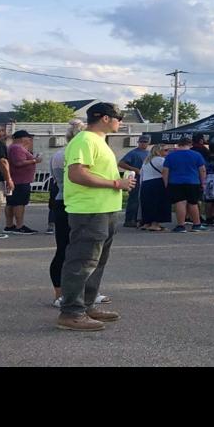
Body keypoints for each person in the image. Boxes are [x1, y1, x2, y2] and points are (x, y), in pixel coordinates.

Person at [56, 103, 136, 332]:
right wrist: (115, 183)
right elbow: (76, 173)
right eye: (118, 117)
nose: (120, 121)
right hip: (89, 210)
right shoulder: (85, 140)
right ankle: (71, 312)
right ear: (104, 118)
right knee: (82, 261)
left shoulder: (98, 141)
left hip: (104, 208)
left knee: (97, 261)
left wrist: (119, 182)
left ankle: (86, 306)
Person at [49, 121, 110, 307]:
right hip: (74, 203)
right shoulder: (71, 153)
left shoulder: (59, 154)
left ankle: (80, 292)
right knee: (74, 251)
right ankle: (65, 295)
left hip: (64, 201)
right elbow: (81, 178)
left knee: (78, 251)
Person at [162, 137, 207, 233]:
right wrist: (203, 182)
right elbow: (202, 170)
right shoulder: (196, 155)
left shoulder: (171, 156)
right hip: (193, 182)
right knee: (193, 203)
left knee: (180, 203)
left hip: (175, 182)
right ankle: (196, 224)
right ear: (190, 144)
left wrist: (166, 183)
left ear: (179, 144)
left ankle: (181, 225)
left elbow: (165, 171)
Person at [3, 130, 40, 234]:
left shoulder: (12, 147)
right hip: (20, 181)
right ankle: (19, 226)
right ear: (22, 138)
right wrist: (34, 160)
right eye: (28, 137)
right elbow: (18, 162)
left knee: (11, 203)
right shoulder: (17, 148)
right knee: (19, 203)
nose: (30, 140)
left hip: (15, 179)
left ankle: (9, 225)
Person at [118, 136, 151, 227]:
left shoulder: (149, 153)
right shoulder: (133, 153)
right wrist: (134, 169)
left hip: (146, 179)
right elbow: (121, 163)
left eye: (145, 142)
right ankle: (129, 220)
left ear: (148, 143)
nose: (143, 143)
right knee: (134, 199)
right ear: (138, 142)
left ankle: (140, 219)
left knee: (144, 200)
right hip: (135, 179)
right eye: (141, 142)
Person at [137, 143, 171, 231]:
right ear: (159, 151)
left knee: (148, 204)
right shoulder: (161, 160)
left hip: (145, 184)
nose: (168, 152)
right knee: (158, 203)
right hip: (157, 183)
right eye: (166, 150)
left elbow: (141, 174)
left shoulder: (146, 161)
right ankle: (155, 224)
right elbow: (165, 172)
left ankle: (147, 223)